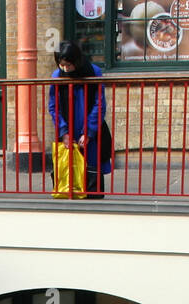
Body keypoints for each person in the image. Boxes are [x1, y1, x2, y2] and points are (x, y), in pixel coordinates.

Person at [48, 41, 113, 199]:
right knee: (69, 163)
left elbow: (99, 104)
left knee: (91, 161)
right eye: (62, 65)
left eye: (68, 65)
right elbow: (53, 106)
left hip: (88, 123)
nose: (65, 69)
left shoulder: (93, 72)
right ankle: (70, 190)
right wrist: (63, 131)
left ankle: (92, 192)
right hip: (68, 125)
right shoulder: (57, 76)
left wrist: (89, 131)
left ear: (76, 61)